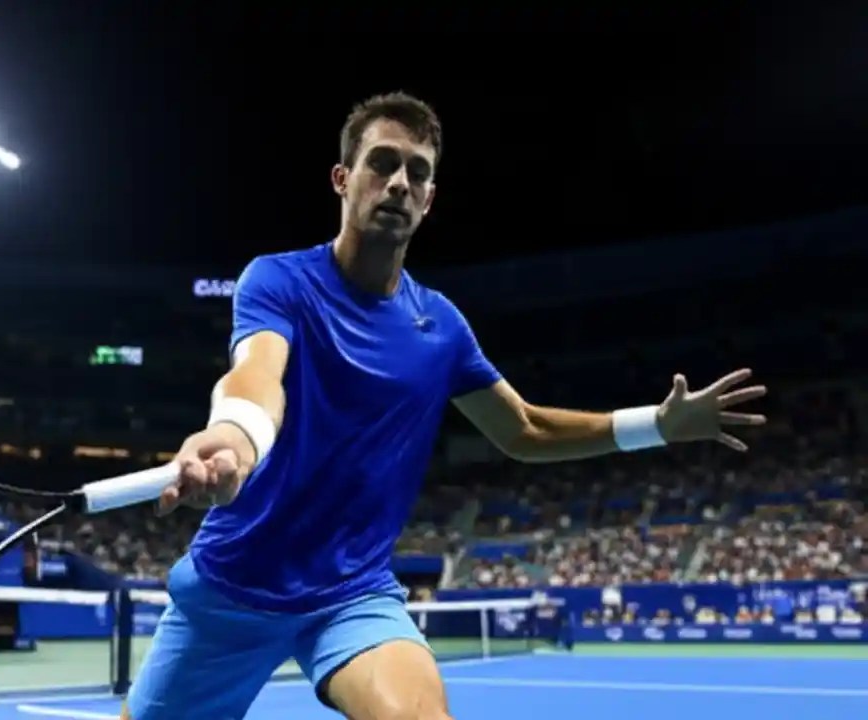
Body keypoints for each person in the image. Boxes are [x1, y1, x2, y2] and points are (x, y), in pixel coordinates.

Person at [122, 91, 768, 720]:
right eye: (382, 163)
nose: (398, 182)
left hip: (351, 596)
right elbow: (259, 373)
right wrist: (234, 438)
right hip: (231, 586)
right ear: (343, 179)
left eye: (418, 172)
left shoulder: (441, 327)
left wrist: (656, 424)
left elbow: (524, 429)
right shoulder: (280, 279)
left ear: (429, 201)